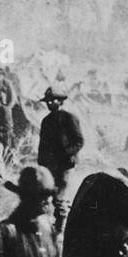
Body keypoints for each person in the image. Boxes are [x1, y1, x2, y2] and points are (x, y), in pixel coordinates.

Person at [37, 86, 84, 235]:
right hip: (50, 165)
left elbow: (79, 141)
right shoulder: (46, 121)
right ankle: (57, 226)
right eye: (48, 101)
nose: (50, 103)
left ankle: (62, 228)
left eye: (54, 100)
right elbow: (42, 145)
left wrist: (66, 153)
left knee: (62, 197)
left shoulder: (69, 118)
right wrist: (42, 164)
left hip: (66, 164)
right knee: (51, 195)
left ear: (61, 101)